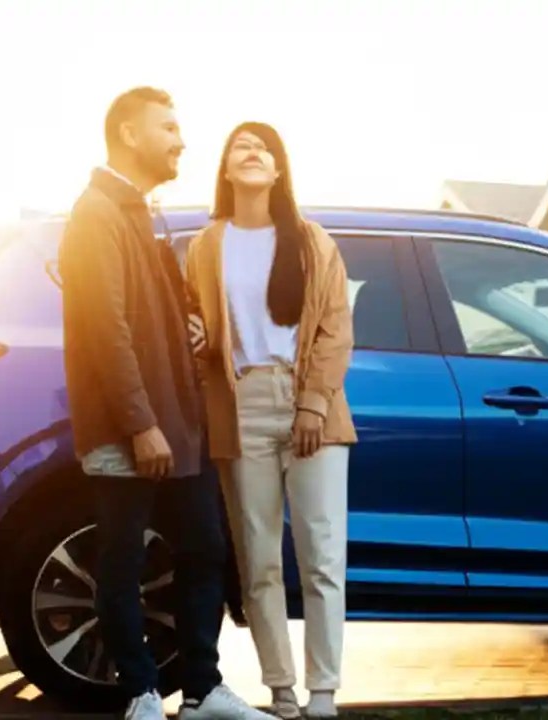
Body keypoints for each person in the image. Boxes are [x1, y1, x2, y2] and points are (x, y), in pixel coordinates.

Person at [59, 87, 274, 720]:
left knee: (203, 550)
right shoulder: (95, 213)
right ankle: (141, 694)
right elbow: (107, 329)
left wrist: (191, 323)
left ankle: (204, 690)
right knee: (121, 563)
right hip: (134, 429)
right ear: (129, 134)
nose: (182, 140)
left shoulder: (138, 213)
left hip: (178, 427)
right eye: (169, 127)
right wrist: (141, 425)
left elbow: (159, 307)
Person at [184, 122, 357, 719]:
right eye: (240, 147)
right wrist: (199, 336)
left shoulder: (311, 241)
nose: (252, 153)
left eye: (264, 148)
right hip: (241, 407)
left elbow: (336, 328)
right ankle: (281, 694)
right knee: (257, 559)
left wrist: (312, 402)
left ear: (278, 170)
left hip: (312, 405)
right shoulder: (206, 245)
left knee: (322, 555)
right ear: (227, 170)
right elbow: (200, 333)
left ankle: (324, 694)